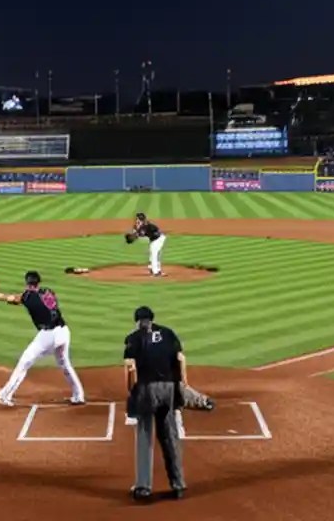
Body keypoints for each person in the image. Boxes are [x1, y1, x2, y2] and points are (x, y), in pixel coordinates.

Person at [0, 271, 85, 407]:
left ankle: (5, 395)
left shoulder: (27, 296)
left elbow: (10, 298)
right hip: (64, 332)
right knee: (65, 364)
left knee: (24, 362)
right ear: (38, 282)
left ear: (27, 282)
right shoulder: (48, 292)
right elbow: (29, 299)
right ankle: (78, 396)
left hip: (48, 335)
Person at [124, 306, 186, 502]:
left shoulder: (133, 338)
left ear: (137, 321)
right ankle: (178, 484)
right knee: (170, 436)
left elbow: (130, 368)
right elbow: (180, 360)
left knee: (144, 435)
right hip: (168, 388)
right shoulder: (168, 333)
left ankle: (143, 487)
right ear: (152, 319)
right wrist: (182, 387)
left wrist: (131, 393)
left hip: (147, 389)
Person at [129, 213, 168, 277]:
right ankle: (154, 269)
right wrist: (134, 234)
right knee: (155, 254)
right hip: (154, 240)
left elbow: (140, 234)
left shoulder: (145, 226)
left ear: (140, 219)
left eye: (137, 219)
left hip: (158, 239)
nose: (136, 220)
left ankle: (156, 272)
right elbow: (137, 232)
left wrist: (134, 236)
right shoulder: (139, 225)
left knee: (154, 255)